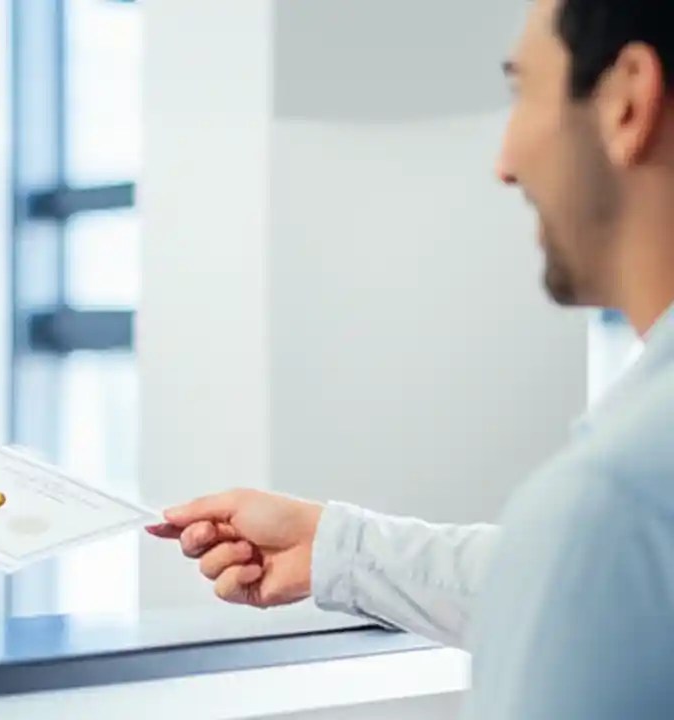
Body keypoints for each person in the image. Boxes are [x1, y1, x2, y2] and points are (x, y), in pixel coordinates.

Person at [151, 0, 674, 716]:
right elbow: (571, 586)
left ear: (627, 102)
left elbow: (589, 573)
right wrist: (335, 547)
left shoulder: (616, 506)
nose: (504, 163)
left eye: (524, 92)